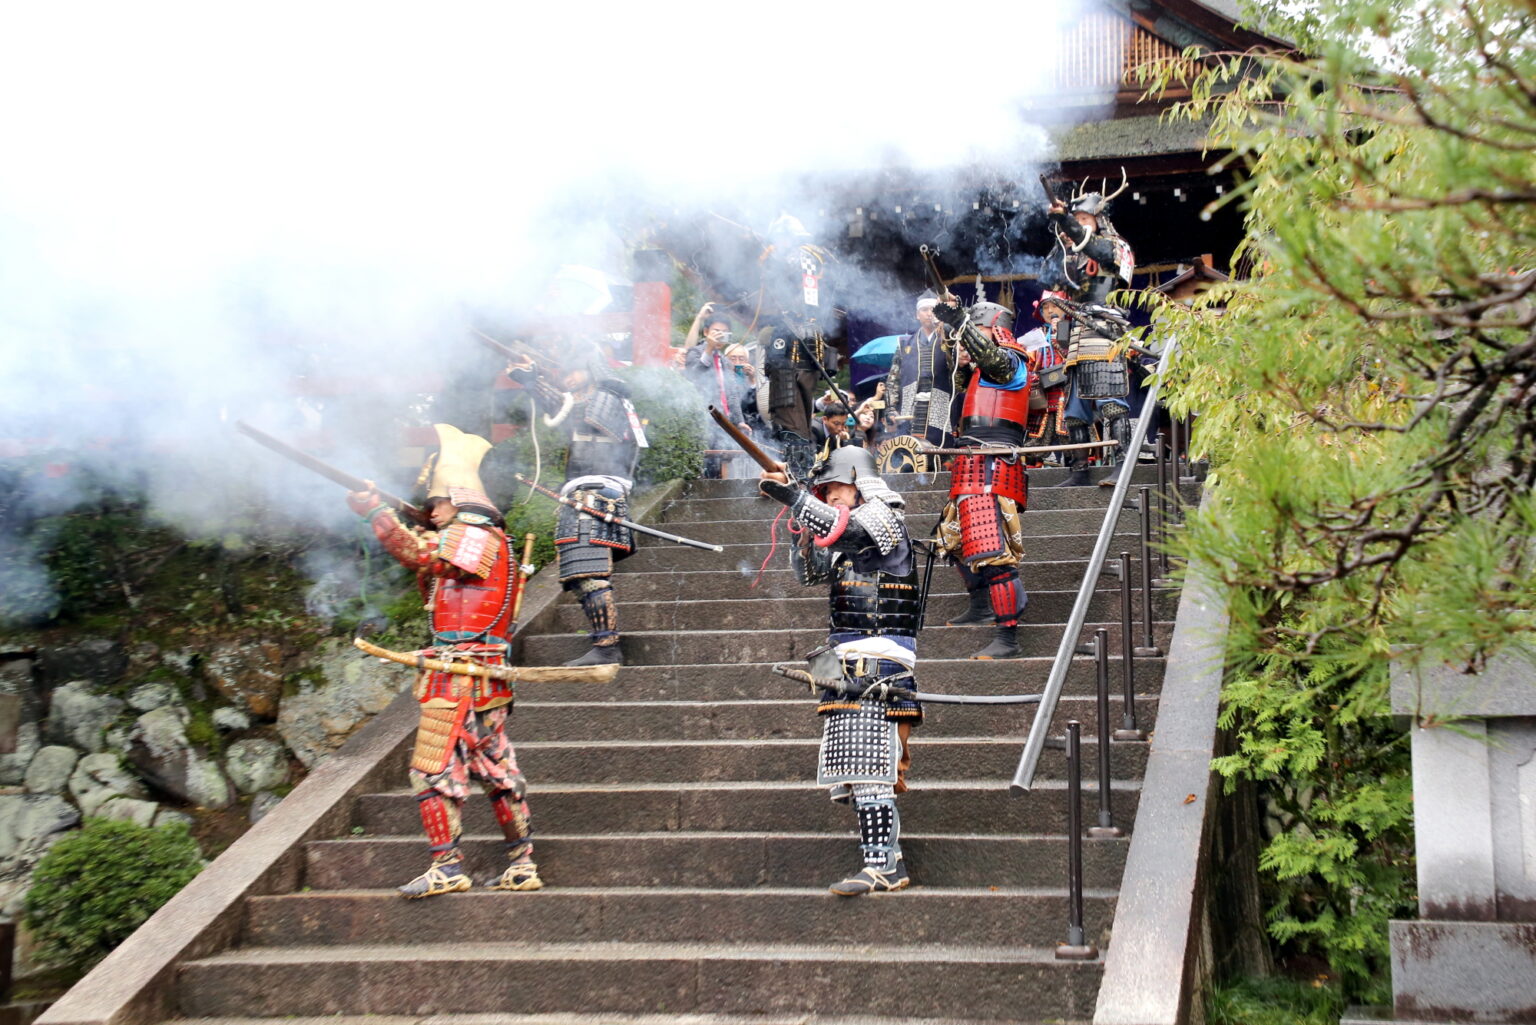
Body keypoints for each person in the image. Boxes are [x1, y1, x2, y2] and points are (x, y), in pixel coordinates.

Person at [346, 424, 541, 898]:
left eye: (439, 502)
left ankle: (448, 866)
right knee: (495, 768)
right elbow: (432, 582)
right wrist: (408, 522)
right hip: (472, 671)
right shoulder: (481, 538)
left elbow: (422, 556)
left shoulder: (474, 534)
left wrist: (378, 512)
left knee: (433, 768)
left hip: (461, 675)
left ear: (461, 497)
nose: (432, 509)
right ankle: (520, 862)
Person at [758, 445, 921, 895]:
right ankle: (888, 861)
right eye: (823, 489)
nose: (828, 494)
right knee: (856, 771)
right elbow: (809, 573)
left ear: (860, 479)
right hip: (842, 658)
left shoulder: (885, 518)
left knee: (870, 770)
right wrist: (797, 526)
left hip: (879, 663)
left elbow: (845, 532)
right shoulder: (842, 526)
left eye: (835, 487)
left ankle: (882, 867)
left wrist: (795, 497)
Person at [508, 354, 641, 667]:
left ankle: (607, 647)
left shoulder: (607, 397)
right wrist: (534, 379)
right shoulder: (592, 398)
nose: (566, 378)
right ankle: (604, 644)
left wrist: (533, 380)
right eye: (563, 373)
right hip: (585, 495)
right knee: (582, 576)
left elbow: (579, 414)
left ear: (591, 368)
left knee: (590, 574)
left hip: (596, 495)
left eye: (573, 369)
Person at [930, 294, 1032, 659]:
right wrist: (954, 330)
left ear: (996, 331)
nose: (968, 339)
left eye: (977, 330)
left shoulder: (1011, 360)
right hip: (970, 465)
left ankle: (1007, 637)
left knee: (992, 552)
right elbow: (961, 367)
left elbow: (994, 361)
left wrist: (961, 324)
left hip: (993, 467)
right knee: (953, 542)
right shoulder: (976, 370)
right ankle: (981, 607)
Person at [1046, 179, 1136, 487]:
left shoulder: (1115, 247)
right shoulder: (1074, 255)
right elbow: (1048, 278)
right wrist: (1059, 237)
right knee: (1074, 410)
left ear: (1100, 220)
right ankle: (1079, 469)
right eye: (1077, 220)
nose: (1079, 225)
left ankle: (1123, 465)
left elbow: (1099, 251)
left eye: (1084, 220)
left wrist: (1068, 224)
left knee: (1111, 403)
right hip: (1077, 334)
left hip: (1105, 329)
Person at [882, 291, 957, 450]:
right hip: (910, 403)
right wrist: (890, 408)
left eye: (933, 309)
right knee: (909, 449)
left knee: (940, 448)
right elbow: (893, 379)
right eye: (925, 310)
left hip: (940, 401)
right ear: (917, 315)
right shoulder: (904, 343)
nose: (929, 313)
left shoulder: (949, 339)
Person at [1017, 291, 1072, 467]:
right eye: (1045, 307)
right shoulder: (1036, 334)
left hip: (1068, 391)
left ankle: (1076, 468)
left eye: (1054, 306)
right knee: (1036, 439)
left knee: (1070, 435)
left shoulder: (1075, 330)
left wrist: (1059, 337)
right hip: (1043, 393)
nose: (1049, 311)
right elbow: (1027, 361)